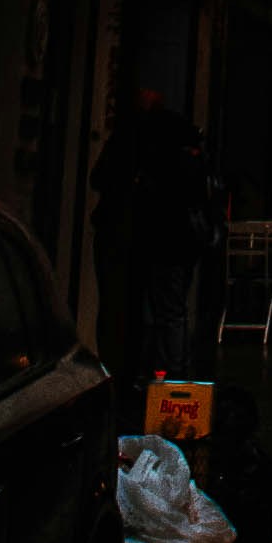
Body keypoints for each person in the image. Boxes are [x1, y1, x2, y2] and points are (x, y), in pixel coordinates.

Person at [89, 87, 212, 388]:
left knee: (138, 308)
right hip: (173, 242)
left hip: (153, 239)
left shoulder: (137, 142)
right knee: (168, 311)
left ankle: (138, 372)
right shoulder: (181, 146)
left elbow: (101, 178)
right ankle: (168, 375)